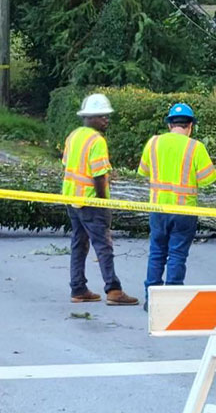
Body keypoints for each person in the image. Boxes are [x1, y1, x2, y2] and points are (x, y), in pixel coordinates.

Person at [60, 94, 138, 306]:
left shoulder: (73, 136)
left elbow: (66, 164)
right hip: (92, 202)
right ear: (90, 117)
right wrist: (103, 202)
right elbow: (99, 176)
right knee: (104, 245)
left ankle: (78, 288)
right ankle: (113, 290)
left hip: (72, 198)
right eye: (102, 116)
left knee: (79, 243)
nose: (106, 120)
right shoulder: (97, 141)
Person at [137, 103, 216, 302]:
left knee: (156, 252)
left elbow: (144, 171)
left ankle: (151, 298)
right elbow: (208, 179)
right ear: (190, 125)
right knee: (177, 255)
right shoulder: (195, 147)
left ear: (169, 125)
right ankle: (172, 298)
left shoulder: (153, 143)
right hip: (184, 211)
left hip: (157, 208)